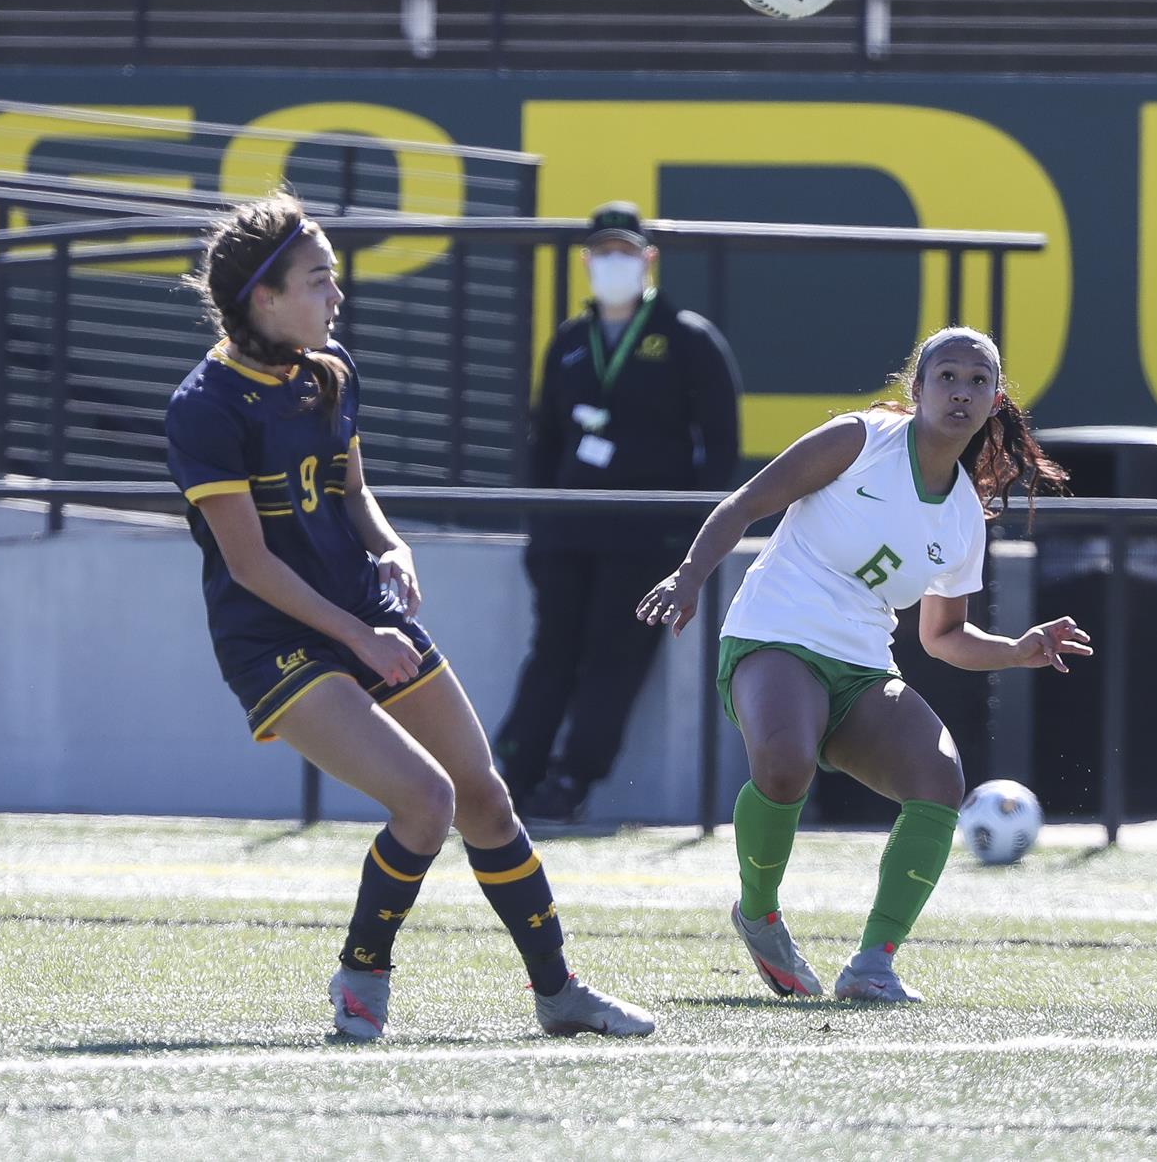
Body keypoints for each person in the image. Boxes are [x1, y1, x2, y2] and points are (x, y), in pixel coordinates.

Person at [164, 191, 655, 1041]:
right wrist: (358, 634)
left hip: (363, 609)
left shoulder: (328, 367)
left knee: (487, 800)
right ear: (262, 299)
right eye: (319, 281)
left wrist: (391, 547)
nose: (336, 295)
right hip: (276, 640)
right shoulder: (204, 405)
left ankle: (559, 991)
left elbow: (353, 493)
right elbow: (249, 564)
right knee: (426, 800)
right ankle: (361, 977)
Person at [636, 325, 1090, 1003]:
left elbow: (944, 636)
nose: (960, 391)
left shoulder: (965, 514)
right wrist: (690, 575)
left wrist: (1018, 649)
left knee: (939, 779)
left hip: (859, 665)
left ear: (996, 401)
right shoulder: (861, 438)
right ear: (917, 387)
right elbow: (745, 502)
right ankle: (759, 913)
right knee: (784, 764)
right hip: (775, 635)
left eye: (977, 381)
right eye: (947, 377)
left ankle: (873, 964)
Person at [494, 200, 741, 822]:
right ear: (585, 261)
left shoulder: (688, 339)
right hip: (568, 530)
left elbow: (720, 444)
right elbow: (542, 437)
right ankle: (511, 772)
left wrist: (694, 539)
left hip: (645, 533)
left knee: (615, 651)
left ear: (648, 259)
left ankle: (573, 778)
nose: (613, 263)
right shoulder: (571, 341)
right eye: (602, 252)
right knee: (552, 648)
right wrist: (539, 522)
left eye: (625, 252)